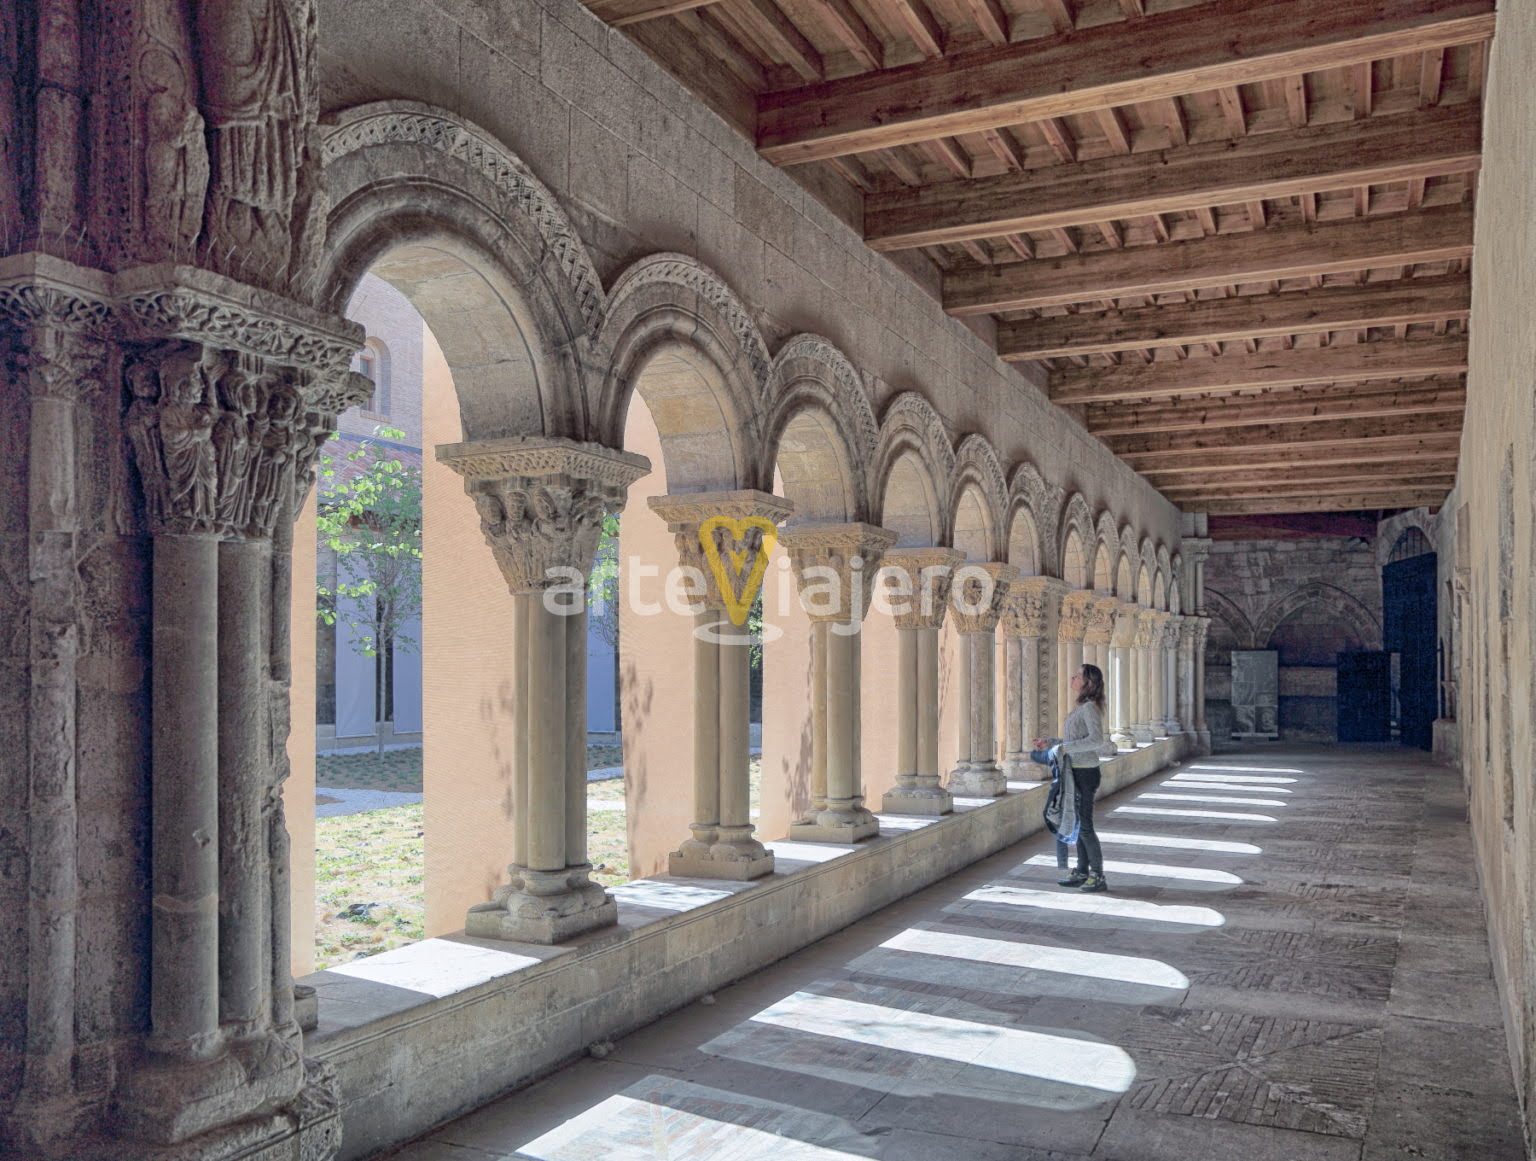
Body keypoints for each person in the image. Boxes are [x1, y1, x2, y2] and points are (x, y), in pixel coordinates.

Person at [1032, 664, 1109, 893]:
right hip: (1076, 771)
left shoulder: (1089, 708)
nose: (1072, 678)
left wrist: (1064, 747)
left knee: (1085, 826)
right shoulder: (1082, 708)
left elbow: (1097, 741)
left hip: (1085, 772)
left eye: (1077, 676)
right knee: (1078, 825)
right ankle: (1082, 871)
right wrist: (1052, 742)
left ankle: (1097, 875)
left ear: (1088, 683)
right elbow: (1075, 740)